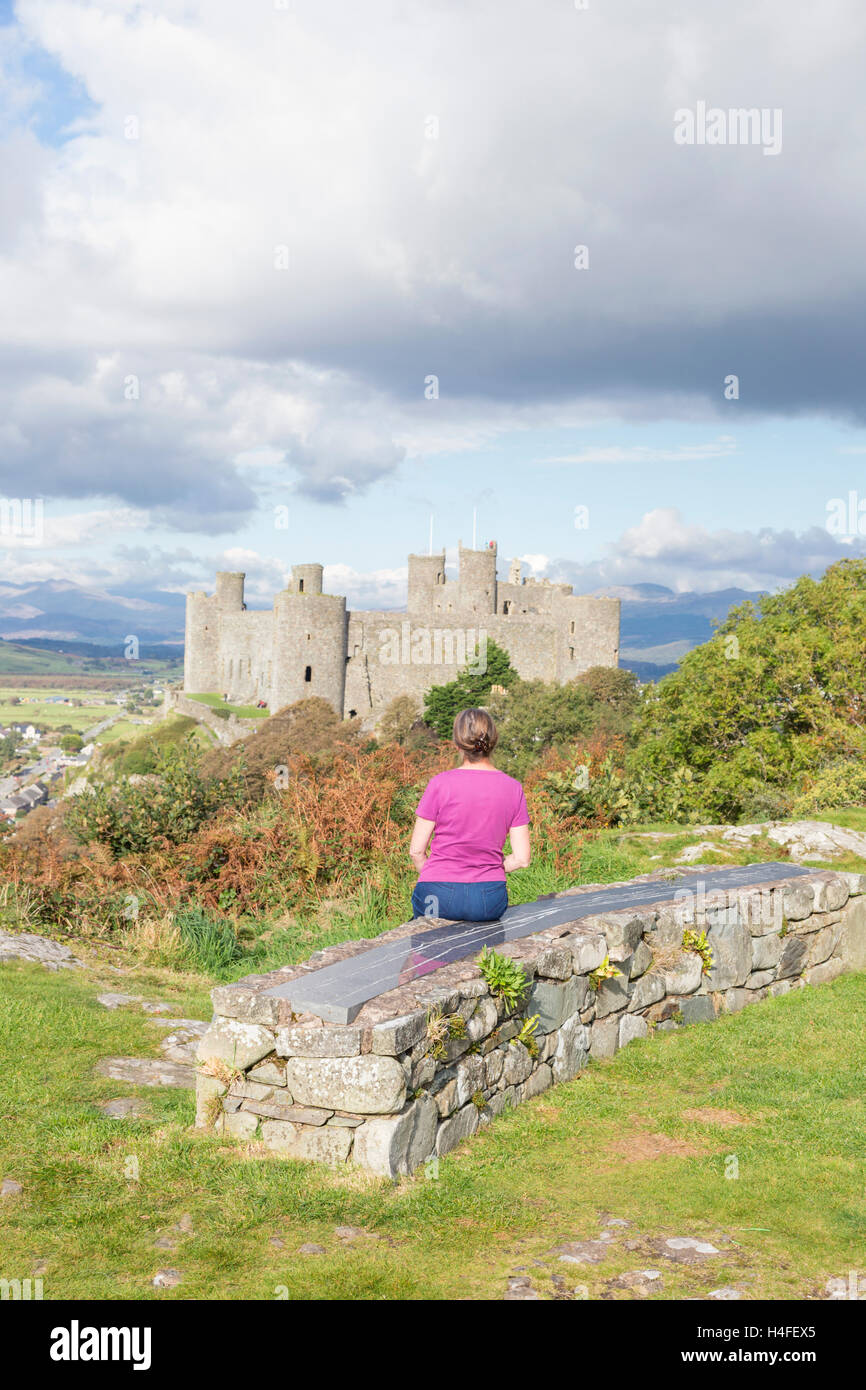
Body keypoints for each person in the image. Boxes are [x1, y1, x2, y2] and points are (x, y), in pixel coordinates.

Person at [409, 707, 531, 923]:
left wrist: (435, 875)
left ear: (457, 743)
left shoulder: (439, 784)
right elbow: (522, 859)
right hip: (488, 899)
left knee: (423, 940)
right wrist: (491, 867)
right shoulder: (513, 788)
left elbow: (417, 852)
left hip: (436, 893)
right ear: (493, 740)